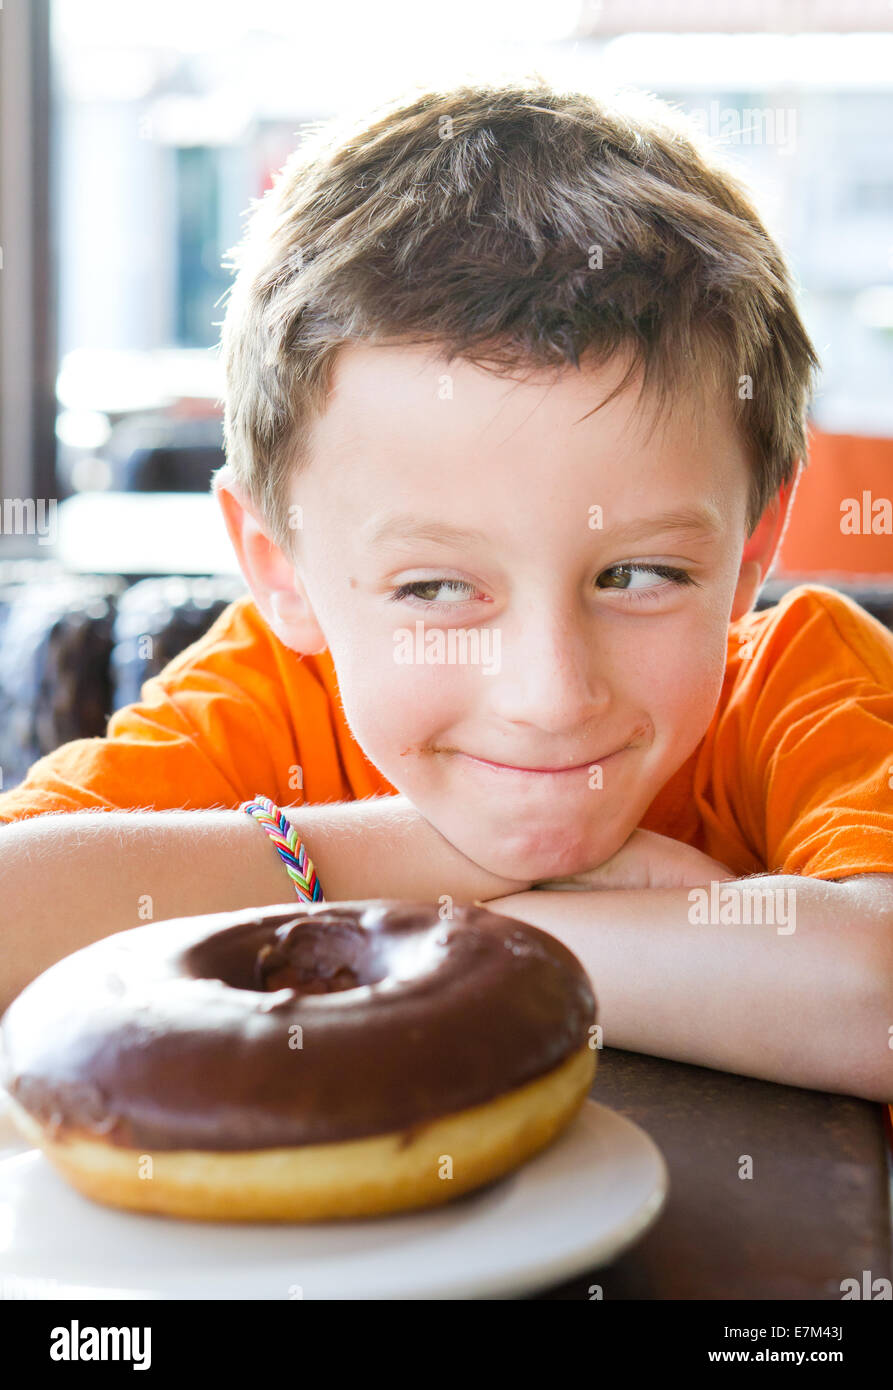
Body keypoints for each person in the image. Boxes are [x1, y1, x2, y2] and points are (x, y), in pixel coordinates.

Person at [2, 78, 891, 1103]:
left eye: (636, 574)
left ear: (748, 552)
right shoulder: (270, 700)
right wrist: (420, 859)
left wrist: (475, 931)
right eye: (433, 588)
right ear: (279, 567)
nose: (549, 696)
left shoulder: (800, 686)